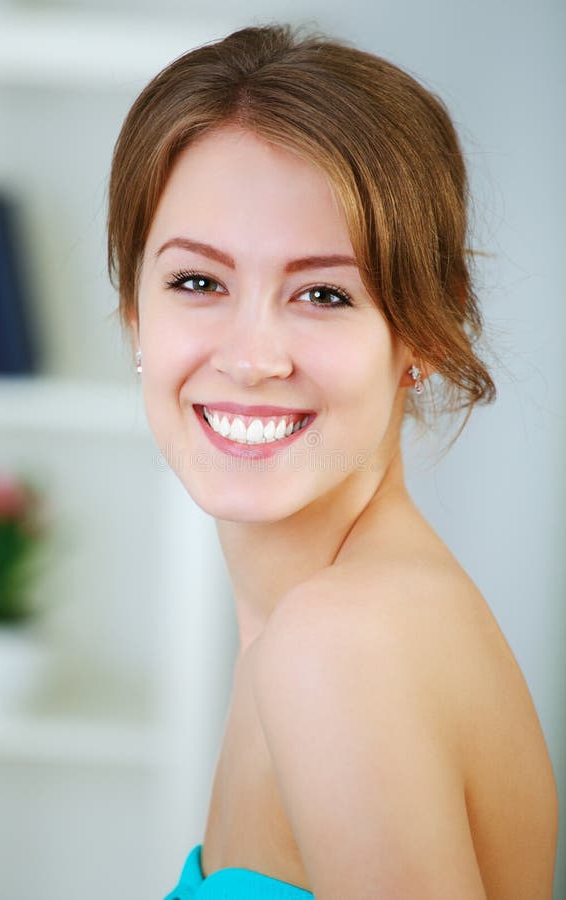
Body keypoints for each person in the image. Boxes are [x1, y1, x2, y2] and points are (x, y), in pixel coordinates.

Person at [106, 22, 558, 900]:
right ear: (134, 309)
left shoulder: (339, 650)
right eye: (198, 281)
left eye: (323, 293)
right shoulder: (314, 629)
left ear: (424, 331)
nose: (253, 357)